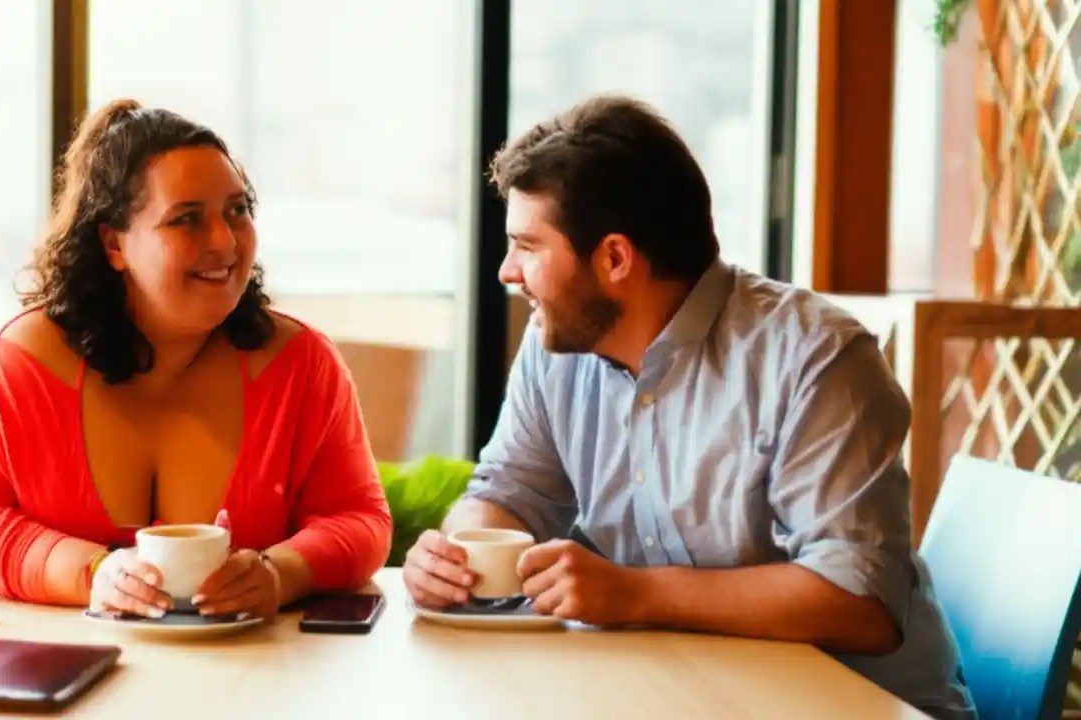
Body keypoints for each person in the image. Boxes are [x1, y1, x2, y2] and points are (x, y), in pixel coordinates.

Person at [402, 95, 973, 718]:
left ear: (614, 258)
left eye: (528, 247)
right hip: (684, 695)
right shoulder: (556, 349)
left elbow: (859, 602)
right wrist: (457, 558)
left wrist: (633, 595)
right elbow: (510, 492)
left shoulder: (815, 357)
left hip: (853, 705)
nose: (507, 272)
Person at [0, 99, 392, 621]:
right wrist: (90, 573)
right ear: (114, 244)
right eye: (186, 219)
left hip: (248, 667)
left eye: (237, 210)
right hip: (66, 667)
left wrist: (279, 574)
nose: (225, 240)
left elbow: (360, 519)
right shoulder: (20, 365)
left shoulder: (301, 363)